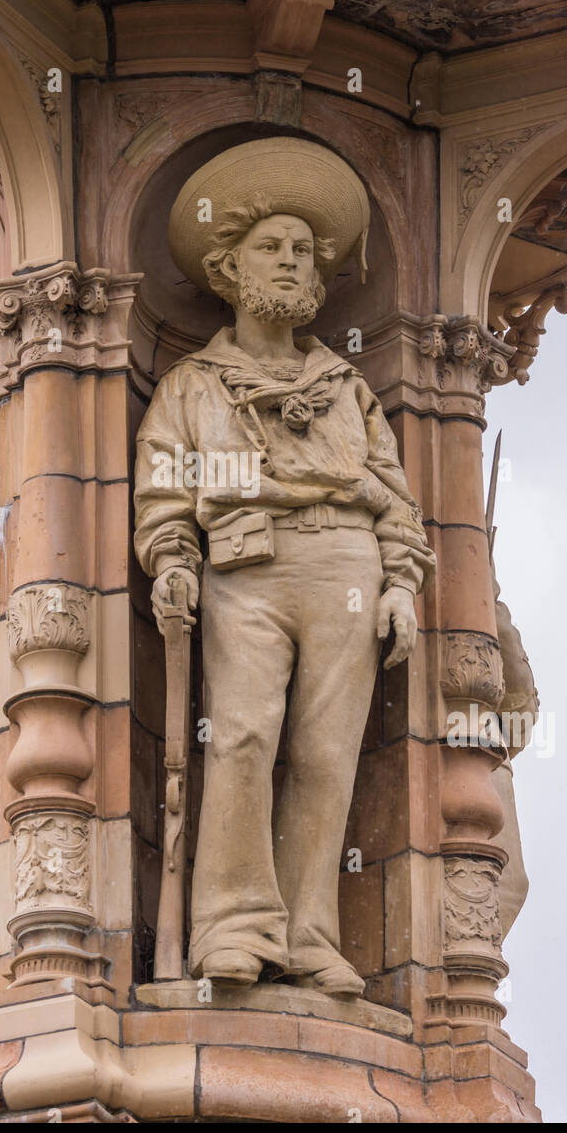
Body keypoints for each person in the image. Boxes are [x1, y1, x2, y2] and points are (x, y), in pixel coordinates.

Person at [134, 138, 435, 997]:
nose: (292, 261)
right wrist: (172, 559)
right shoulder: (194, 386)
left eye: (304, 250)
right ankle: (232, 926)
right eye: (273, 246)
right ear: (230, 269)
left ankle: (309, 934)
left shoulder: (347, 389)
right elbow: (164, 484)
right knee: (240, 736)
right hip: (248, 567)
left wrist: (403, 585)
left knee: (326, 754)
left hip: (346, 563)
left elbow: (396, 499)